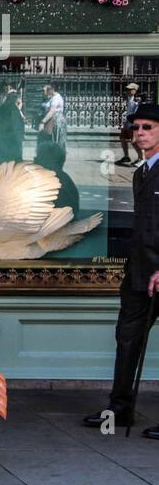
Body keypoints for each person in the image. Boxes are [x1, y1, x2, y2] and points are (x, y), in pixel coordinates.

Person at [85, 102, 159, 439]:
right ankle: (120, 409)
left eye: (148, 127)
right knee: (127, 339)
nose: (140, 134)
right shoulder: (143, 171)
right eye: (137, 128)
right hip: (139, 274)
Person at [118, 83, 143, 167]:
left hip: (133, 122)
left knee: (134, 141)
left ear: (134, 90)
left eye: (130, 89)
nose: (127, 91)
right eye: (127, 89)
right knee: (122, 138)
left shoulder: (137, 99)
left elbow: (137, 111)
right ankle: (126, 156)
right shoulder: (130, 97)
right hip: (127, 122)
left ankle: (142, 159)